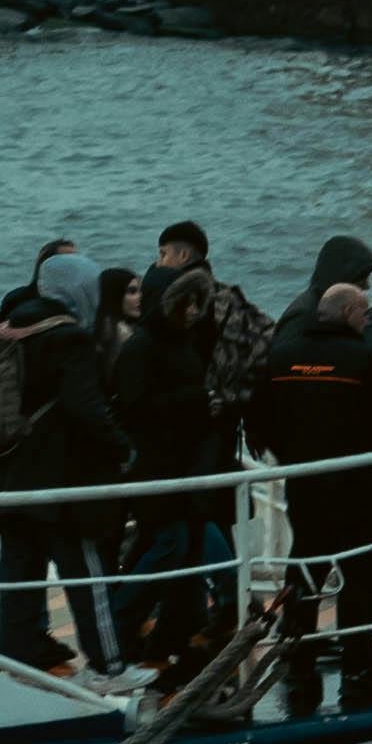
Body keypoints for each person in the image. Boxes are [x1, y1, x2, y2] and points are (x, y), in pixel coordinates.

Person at [244, 247, 372, 709]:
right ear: (345, 313)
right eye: (363, 309)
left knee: (305, 566)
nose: (368, 317)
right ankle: (358, 666)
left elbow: (259, 415)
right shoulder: (363, 358)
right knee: (360, 574)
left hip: (304, 482)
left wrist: (294, 451)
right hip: (357, 486)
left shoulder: (282, 354)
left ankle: (298, 658)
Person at [0, 252, 136, 675]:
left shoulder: (10, 328)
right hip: (60, 480)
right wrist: (123, 449)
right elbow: (86, 407)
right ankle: (110, 667)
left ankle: (16, 659)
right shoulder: (69, 338)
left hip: (8, 476)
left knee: (19, 577)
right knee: (87, 576)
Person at [106, 223, 260, 669]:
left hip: (183, 463)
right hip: (162, 467)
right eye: (190, 303)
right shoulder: (145, 348)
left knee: (182, 547)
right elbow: (138, 409)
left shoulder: (175, 343)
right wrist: (197, 402)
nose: (198, 312)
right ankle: (122, 622)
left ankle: (170, 630)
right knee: (171, 546)